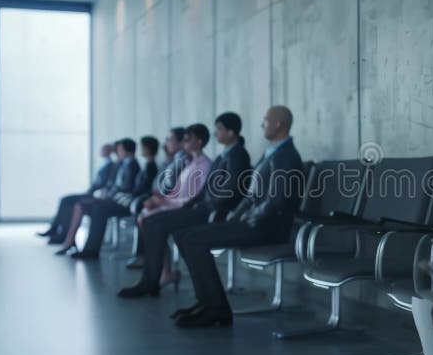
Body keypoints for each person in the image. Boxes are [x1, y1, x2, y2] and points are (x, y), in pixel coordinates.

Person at [171, 106, 302, 328]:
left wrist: (248, 219)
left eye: (266, 120)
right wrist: (236, 218)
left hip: (268, 227)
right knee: (183, 235)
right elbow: (251, 196)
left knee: (192, 239)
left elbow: (277, 199)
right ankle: (206, 302)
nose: (262, 124)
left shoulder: (286, 155)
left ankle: (216, 308)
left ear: (278, 124)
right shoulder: (272, 152)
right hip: (254, 221)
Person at [118, 113, 251, 298]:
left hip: (213, 211)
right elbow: (205, 190)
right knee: (151, 222)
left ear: (231, 132)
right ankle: (152, 280)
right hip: (202, 207)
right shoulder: (224, 155)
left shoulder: (237, 155)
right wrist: (192, 204)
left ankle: (151, 282)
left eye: (219, 129)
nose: (215, 133)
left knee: (156, 224)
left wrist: (205, 206)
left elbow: (231, 188)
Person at [54, 138, 140, 257]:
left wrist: (108, 194)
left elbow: (125, 188)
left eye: (119, 150)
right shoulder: (125, 164)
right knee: (81, 205)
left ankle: (87, 248)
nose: (117, 152)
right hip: (114, 198)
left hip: (121, 202)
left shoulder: (131, 165)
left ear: (127, 151)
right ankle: (72, 241)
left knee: (96, 208)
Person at [125, 127, 189, 268]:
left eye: (170, 139)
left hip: (168, 201)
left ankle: (147, 257)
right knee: (143, 212)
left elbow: (173, 187)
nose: (166, 143)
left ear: (181, 142)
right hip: (162, 198)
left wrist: (160, 199)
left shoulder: (183, 161)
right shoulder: (173, 160)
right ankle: (147, 257)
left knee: (146, 214)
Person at [38, 143, 116, 244]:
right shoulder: (106, 163)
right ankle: (57, 229)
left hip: (96, 194)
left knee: (68, 202)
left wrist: (90, 191)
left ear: (109, 151)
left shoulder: (111, 164)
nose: (101, 152)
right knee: (65, 201)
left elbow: (102, 183)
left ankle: (61, 233)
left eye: (104, 149)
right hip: (94, 192)